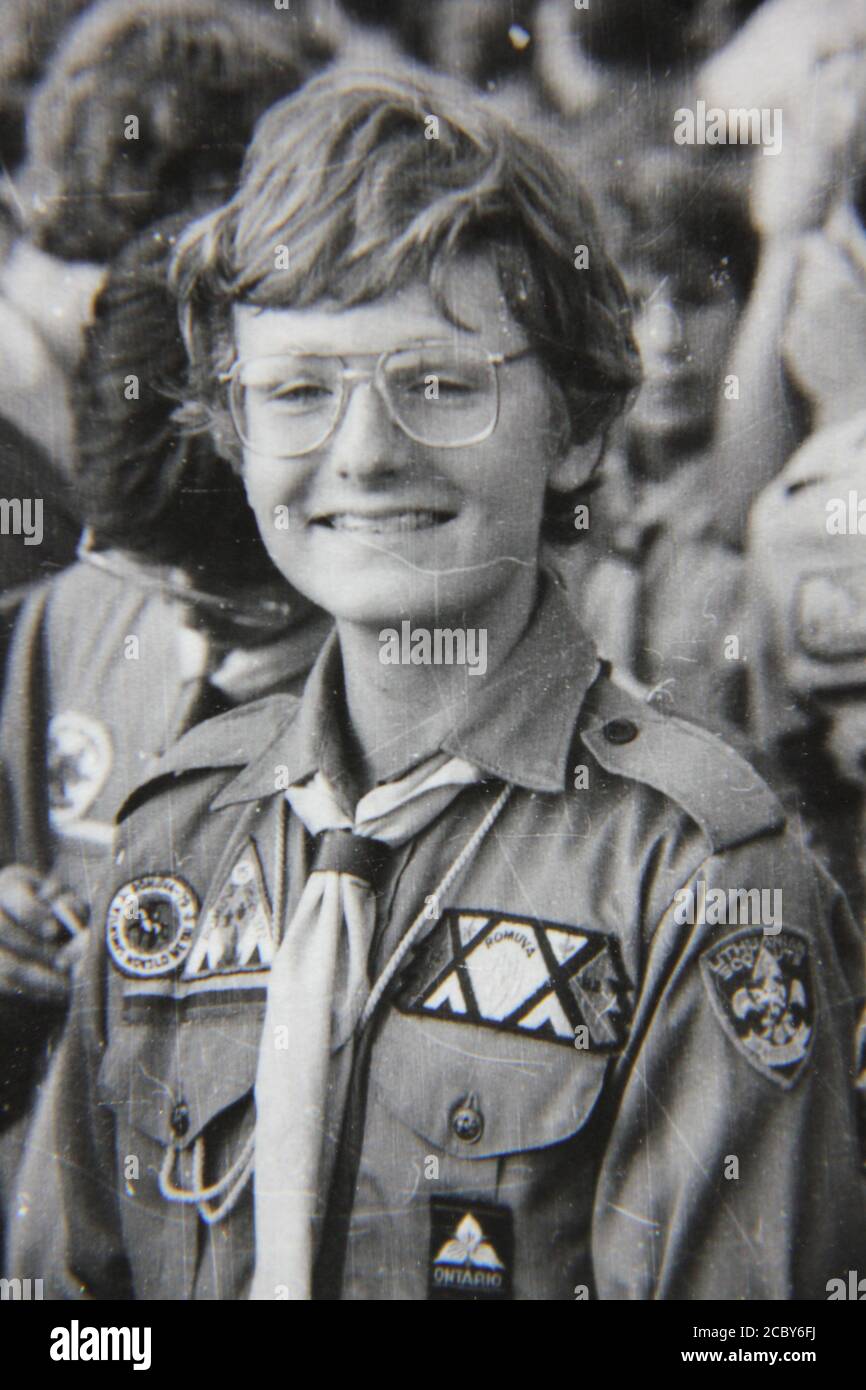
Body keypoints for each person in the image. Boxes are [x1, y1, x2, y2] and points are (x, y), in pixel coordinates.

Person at [11, 69, 864, 1301]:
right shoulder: (179, 836)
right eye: (299, 389)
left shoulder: (698, 878)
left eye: (439, 384)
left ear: (571, 425)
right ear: (236, 431)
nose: (361, 453)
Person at [0, 216, 330, 1254]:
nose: (186, 620)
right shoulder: (72, 617)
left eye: (234, 603)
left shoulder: (389, 683)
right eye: (151, 577)